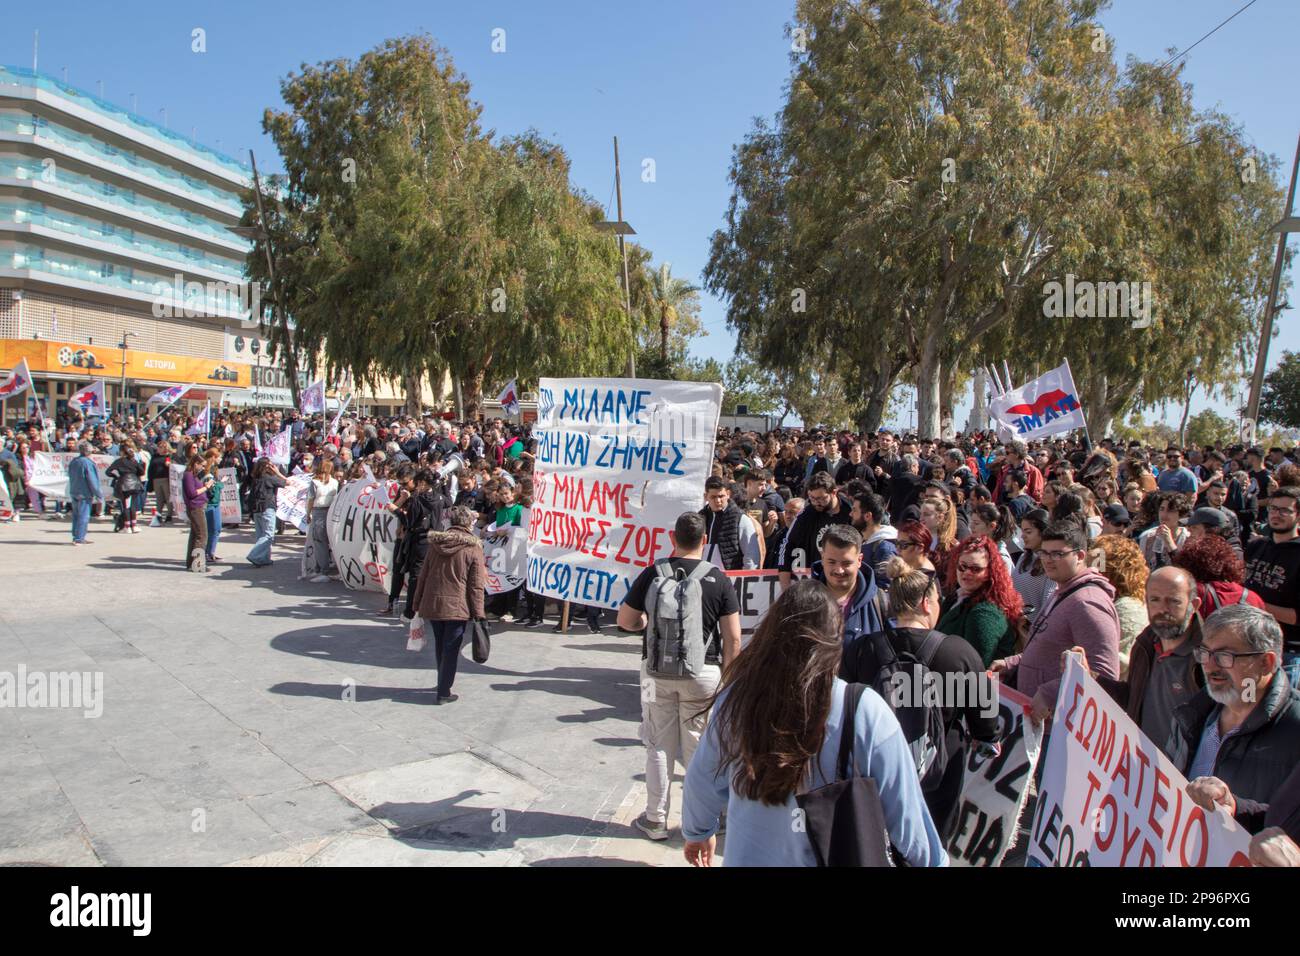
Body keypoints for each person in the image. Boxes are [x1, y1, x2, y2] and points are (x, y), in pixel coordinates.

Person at [680, 579, 947, 866]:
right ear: (836, 640)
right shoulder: (865, 711)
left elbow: (702, 780)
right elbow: (905, 812)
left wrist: (697, 831)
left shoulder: (736, 699)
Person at [840, 556, 1000, 838]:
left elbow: (843, 705)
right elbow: (985, 719)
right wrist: (987, 738)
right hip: (941, 765)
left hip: (876, 765)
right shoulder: (959, 652)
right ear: (927, 603)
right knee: (932, 838)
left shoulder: (863, 649)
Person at [618, 512, 742, 841]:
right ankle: (706, 819)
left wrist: (645, 624)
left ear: (672, 538)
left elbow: (625, 620)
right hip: (703, 672)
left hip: (653, 674)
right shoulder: (718, 578)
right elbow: (733, 638)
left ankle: (655, 819)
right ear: (705, 541)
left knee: (657, 744)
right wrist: (728, 679)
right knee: (700, 749)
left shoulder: (652, 573)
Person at [1165, 606, 1300, 821]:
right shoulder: (1191, 715)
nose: (1209, 666)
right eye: (1205, 653)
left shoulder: (1294, 729)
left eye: (1224, 656)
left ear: (1266, 663)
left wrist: (1235, 807)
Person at [992, 520, 1121, 723]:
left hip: (1060, 729)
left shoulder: (1087, 602)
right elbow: (1048, 647)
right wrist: (1013, 662)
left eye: (1058, 554)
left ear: (1080, 556)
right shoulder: (1064, 590)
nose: (1048, 560)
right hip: (1038, 722)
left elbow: (1104, 675)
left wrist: (1051, 693)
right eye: (1044, 553)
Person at [410, 505, 485, 705]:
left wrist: (416, 603)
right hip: (457, 605)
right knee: (451, 647)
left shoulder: (435, 544)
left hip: (433, 602)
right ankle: (444, 690)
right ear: (469, 523)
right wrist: (479, 612)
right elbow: (476, 584)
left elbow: (423, 575)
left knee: (441, 644)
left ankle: (442, 681)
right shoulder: (473, 548)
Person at [936, 535, 1022, 667]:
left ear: (990, 572)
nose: (967, 573)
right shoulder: (956, 596)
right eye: (962, 566)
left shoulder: (985, 613)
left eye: (976, 569)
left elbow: (975, 667)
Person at [1243, 487, 1300, 686]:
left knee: (1273, 712)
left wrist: (1255, 603)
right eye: (1274, 509)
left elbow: (1297, 617)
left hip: (1286, 654)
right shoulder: (1256, 546)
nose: (1277, 514)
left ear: (1298, 515)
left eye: (1285, 510)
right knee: (1245, 704)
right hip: (1248, 646)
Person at [778, 471, 853, 589]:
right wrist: (785, 585)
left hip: (845, 578)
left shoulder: (850, 511)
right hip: (817, 580)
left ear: (834, 492)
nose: (816, 503)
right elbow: (787, 544)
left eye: (821, 499)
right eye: (812, 498)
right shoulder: (808, 512)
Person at [810, 525, 885, 643]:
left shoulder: (882, 604)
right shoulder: (803, 602)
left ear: (859, 560)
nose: (839, 570)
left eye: (846, 563)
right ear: (822, 558)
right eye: (832, 562)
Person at [1090, 534, 1149, 674]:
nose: (1091, 571)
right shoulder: (1112, 600)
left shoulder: (1128, 607)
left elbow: (1124, 661)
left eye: (1097, 565)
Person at [699, 476, 760, 571]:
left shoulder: (740, 518)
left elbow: (751, 553)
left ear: (728, 494)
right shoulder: (700, 518)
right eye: (713, 497)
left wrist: (745, 578)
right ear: (705, 496)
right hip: (700, 577)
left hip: (728, 579)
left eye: (721, 496)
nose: (718, 501)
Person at [1011, 509, 1056, 624]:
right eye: (1022, 531)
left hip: (1034, 630)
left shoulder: (1051, 564)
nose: (1022, 536)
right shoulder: (1023, 557)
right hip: (1015, 625)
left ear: (1043, 532)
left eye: (1028, 532)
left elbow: (1048, 604)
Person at [247, 457, 287, 567]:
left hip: (257, 509)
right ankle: (254, 555)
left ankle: (264, 559)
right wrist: (278, 472)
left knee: (261, 535)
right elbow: (287, 482)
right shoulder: (269, 478)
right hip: (267, 507)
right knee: (269, 535)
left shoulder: (256, 478)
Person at [305, 459, 340, 582]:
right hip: (330, 511)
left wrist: (307, 513)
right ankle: (321, 566)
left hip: (319, 511)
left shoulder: (314, 482)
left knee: (319, 540)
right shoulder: (335, 482)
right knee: (325, 540)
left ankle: (322, 569)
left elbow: (310, 499)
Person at [181, 453, 213, 572]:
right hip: (195, 508)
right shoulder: (188, 475)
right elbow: (192, 493)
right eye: (202, 466)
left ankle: (191, 563)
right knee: (202, 535)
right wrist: (206, 487)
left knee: (195, 535)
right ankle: (197, 564)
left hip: (197, 507)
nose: (203, 468)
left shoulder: (192, 475)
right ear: (196, 464)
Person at [106, 440, 145, 534]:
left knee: (126, 506)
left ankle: (127, 527)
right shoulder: (134, 461)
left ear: (121, 451)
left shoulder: (119, 461)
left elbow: (108, 472)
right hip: (135, 484)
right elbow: (142, 472)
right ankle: (134, 526)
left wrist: (116, 476)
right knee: (133, 505)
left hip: (124, 484)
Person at [67, 441, 102, 546]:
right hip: (84, 492)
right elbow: (92, 480)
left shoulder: (74, 461)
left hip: (74, 490)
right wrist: (98, 494)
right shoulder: (88, 463)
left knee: (76, 516)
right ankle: (79, 538)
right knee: (83, 516)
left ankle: (76, 536)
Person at [202, 450, 224, 564]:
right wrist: (221, 483)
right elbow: (211, 491)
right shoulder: (208, 475)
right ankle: (209, 553)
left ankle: (210, 552)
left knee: (216, 529)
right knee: (214, 529)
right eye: (219, 457)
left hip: (215, 504)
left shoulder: (211, 472)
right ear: (214, 457)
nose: (220, 459)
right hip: (211, 504)